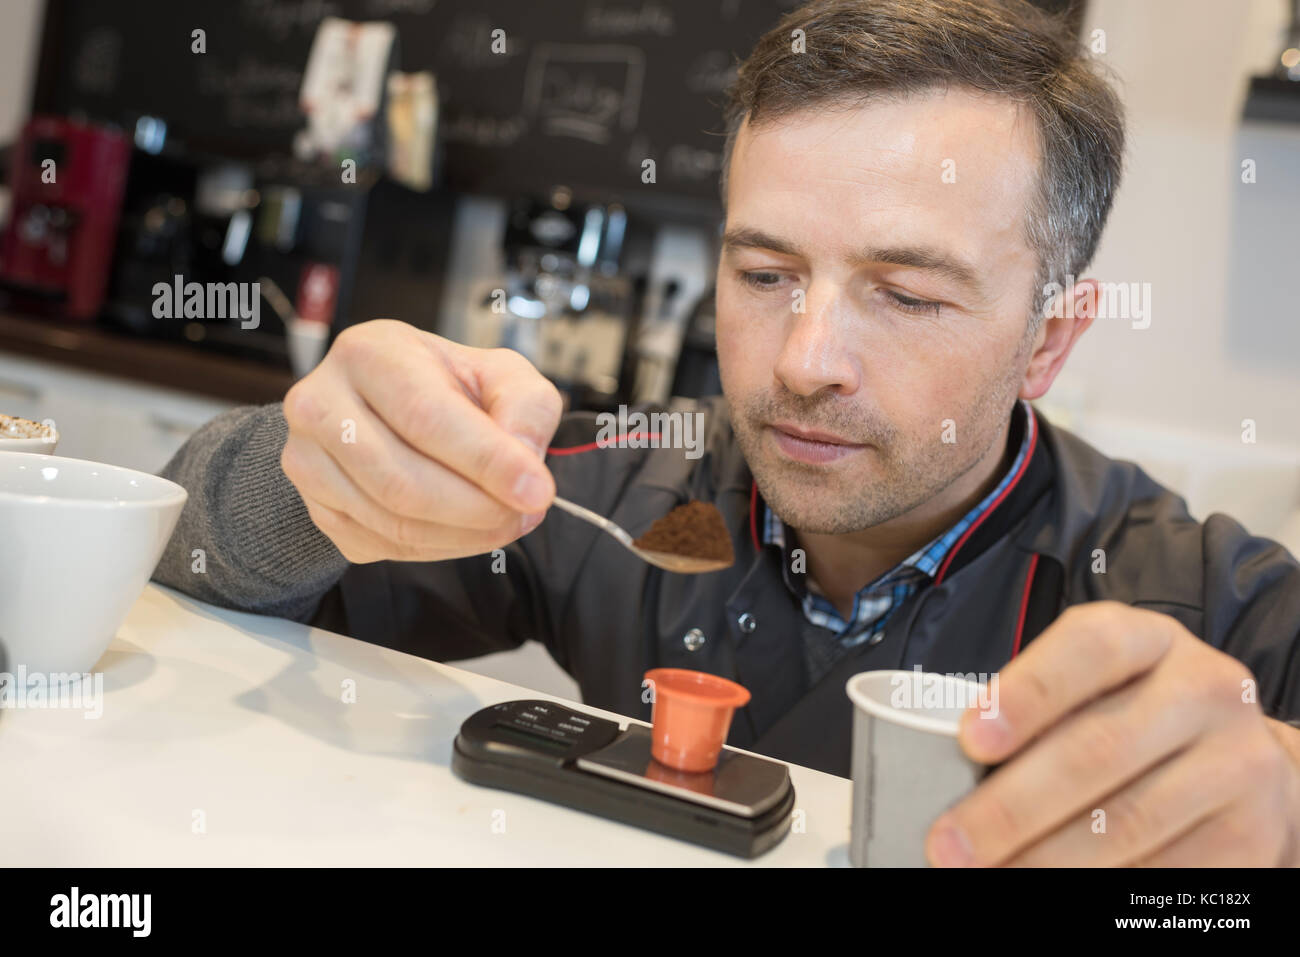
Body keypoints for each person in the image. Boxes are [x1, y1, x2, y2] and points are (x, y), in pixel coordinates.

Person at [151, 0, 1300, 866]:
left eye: (905, 295)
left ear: (1048, 341)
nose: (804, 361)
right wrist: (313, 478)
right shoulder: (616, 493)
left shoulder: (1204, 603)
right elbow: (178, 566)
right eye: (764, 271)